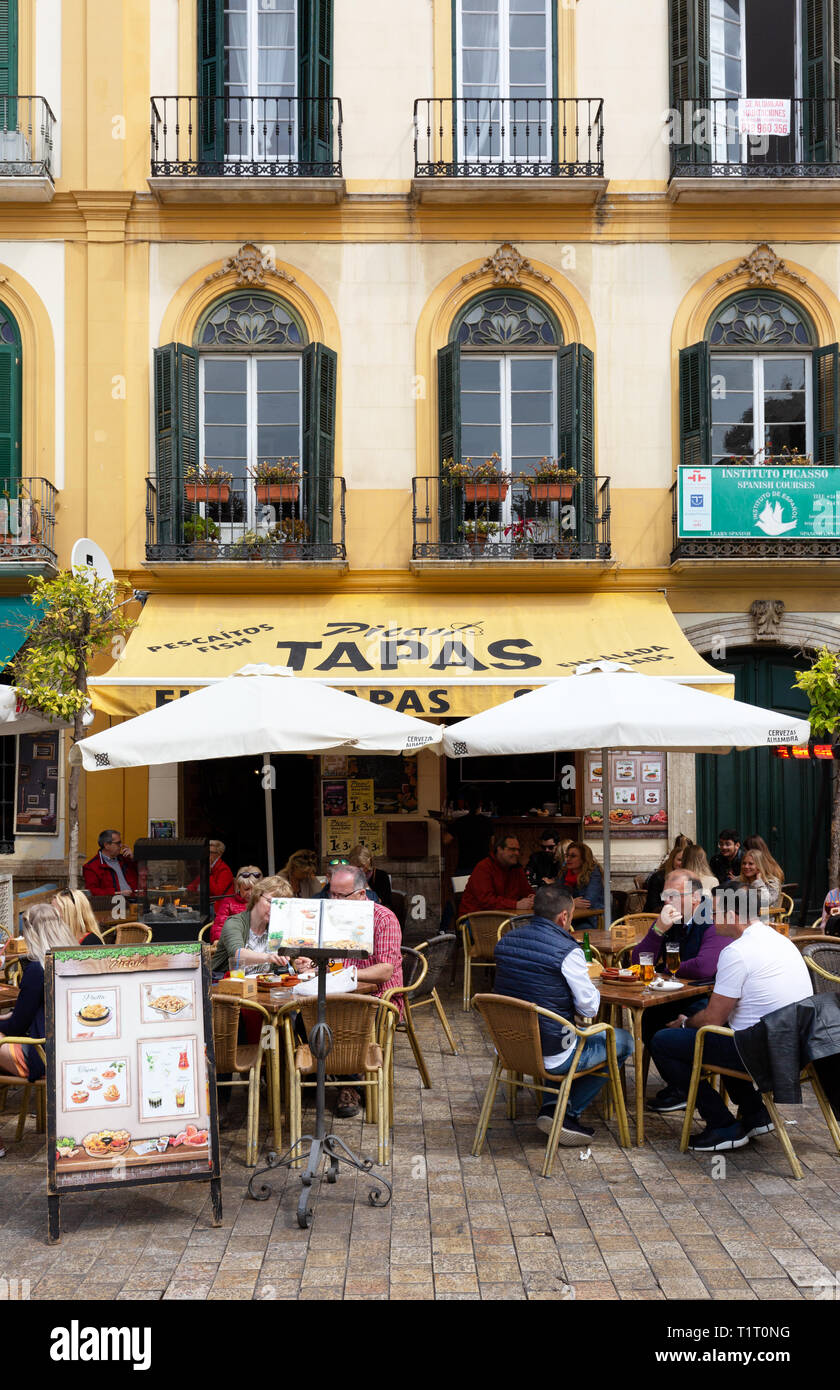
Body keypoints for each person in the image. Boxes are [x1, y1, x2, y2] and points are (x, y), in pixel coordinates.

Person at [649, 884, 813, 1152]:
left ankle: (722, 1125)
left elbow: (712, 1018)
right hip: (797, 1048)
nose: (711, 919)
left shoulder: (736, 952)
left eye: (715, 912)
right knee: (729, 1030)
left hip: (764, 1053)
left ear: (734, 915)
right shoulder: (780, 940)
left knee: (664, 1041)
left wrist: (683, 1022)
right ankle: (755, 1114)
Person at [494, 882, 633, 1145]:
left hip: (510, 1047)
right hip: (552, 1052)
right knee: (622, 1040)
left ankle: (553, 1106)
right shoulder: (568, 950)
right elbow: (590, 1009)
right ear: (565, 917)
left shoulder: (505, 941)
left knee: (561, 1031)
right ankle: (563, 1113)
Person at [631, 870, 728, 1104]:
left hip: (712, 997)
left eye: (673, 895)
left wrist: (666, 969)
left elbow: (704, 967)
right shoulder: (670, 919)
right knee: (648, 1017)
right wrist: (658, 930)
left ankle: (687, 1085)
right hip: (675, 995)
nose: (666, 901)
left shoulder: (713, 917)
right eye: (665, 895)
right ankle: (679, 1083)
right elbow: (638, 961)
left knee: (670, 1023)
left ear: (695, 898)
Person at [326, 864, 404, 1119]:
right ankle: (348, 1078)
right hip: (338, 995)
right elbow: (325, 959)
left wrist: (345, 974)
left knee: (338, 1019)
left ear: (362, 893)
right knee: (300, 1018)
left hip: (378, 998)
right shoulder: (331, 918)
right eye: (331, 894)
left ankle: (348, 1084)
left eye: (341, 896)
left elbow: (384, 971)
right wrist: (308, 961)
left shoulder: (383, 918)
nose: (334, 901)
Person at [0, 905, 77, 1156]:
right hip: (71, 1049)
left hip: (42, 1053)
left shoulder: (36, 969)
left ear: (32, 931)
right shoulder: (73, 960)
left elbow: (15, 1027)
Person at [211, 874, 296, 976]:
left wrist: (296, 964)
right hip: (227, 986)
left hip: (262, 986)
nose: (275, 909)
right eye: (270, 901)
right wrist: (268, 957)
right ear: (256, 896)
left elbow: (279, 967)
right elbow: (238, 955)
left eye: (280, 905)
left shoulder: (276, 929)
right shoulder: (234, 922)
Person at [459, 833, 534, 918]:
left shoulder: (516, 868)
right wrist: (515, 905)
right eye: (512, 849)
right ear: (499, 849)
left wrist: (532, 897)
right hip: (476, 917)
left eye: (518, 850)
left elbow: (527, 891)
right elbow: (486, 901)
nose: (517, 853)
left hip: (504, 917)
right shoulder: (484, 867)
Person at [442, 789, 493, 877]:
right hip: (484, 869)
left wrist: (443, 826)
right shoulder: (488, 822)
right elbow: (492, 843)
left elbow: (445, 840)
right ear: (480, 803)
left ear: (466, 804)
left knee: (464, 891)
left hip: (464, 868)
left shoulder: (460, 822)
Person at [210, 866, 262, 944]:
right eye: (246, 889)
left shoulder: (264, 902)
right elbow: (218, 927)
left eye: (254, 889)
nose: (250, 893)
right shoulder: (228, 903)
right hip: (234, 945)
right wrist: (219, 941)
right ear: (238, 887)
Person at [644, 835, 693, 914]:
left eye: (685, 860)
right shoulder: (658, 877)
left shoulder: (690, 877)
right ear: (672, 859)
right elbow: (653, 906)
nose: (683, 863)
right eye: (679, 860)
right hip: (656, 918)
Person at [559, 842, 603, 930]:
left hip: (590, 918)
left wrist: (566, 902)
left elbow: (587, 902)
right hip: (569, 916)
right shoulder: (565, 872)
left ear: (583, 859)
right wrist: (572, 902)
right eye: (567, 856)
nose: (568, 859)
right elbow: (555, 896)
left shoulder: (593, 873)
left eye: (573, 856)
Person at [82, 830, 139, 897]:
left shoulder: (125, 859)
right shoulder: (91, 867)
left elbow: (143, 874)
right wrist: (117, 893)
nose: (121, 846)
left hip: (135, 900)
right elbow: (92, 891)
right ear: (106, 845)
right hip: (112, 902)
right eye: (118, 843)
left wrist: (134, 858)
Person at [348, 844, 393, 910]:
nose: (359, 869)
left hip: (376, 912)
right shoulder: (347, 876)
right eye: (355, 867)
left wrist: (365, 883)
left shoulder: (381, 876)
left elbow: (384, 902)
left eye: (361, 866)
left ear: (368, 863)